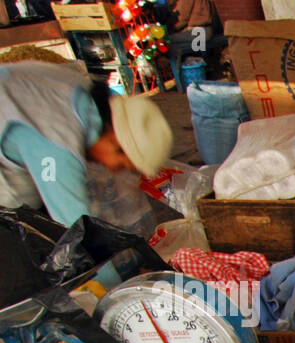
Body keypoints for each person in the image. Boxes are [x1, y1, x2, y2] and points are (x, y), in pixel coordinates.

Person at [0, 62, 173, 227]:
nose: (112, 170)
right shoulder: (57, 150)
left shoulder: (84, 92)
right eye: (120, 165)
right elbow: (76, 229)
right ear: (114, 139)